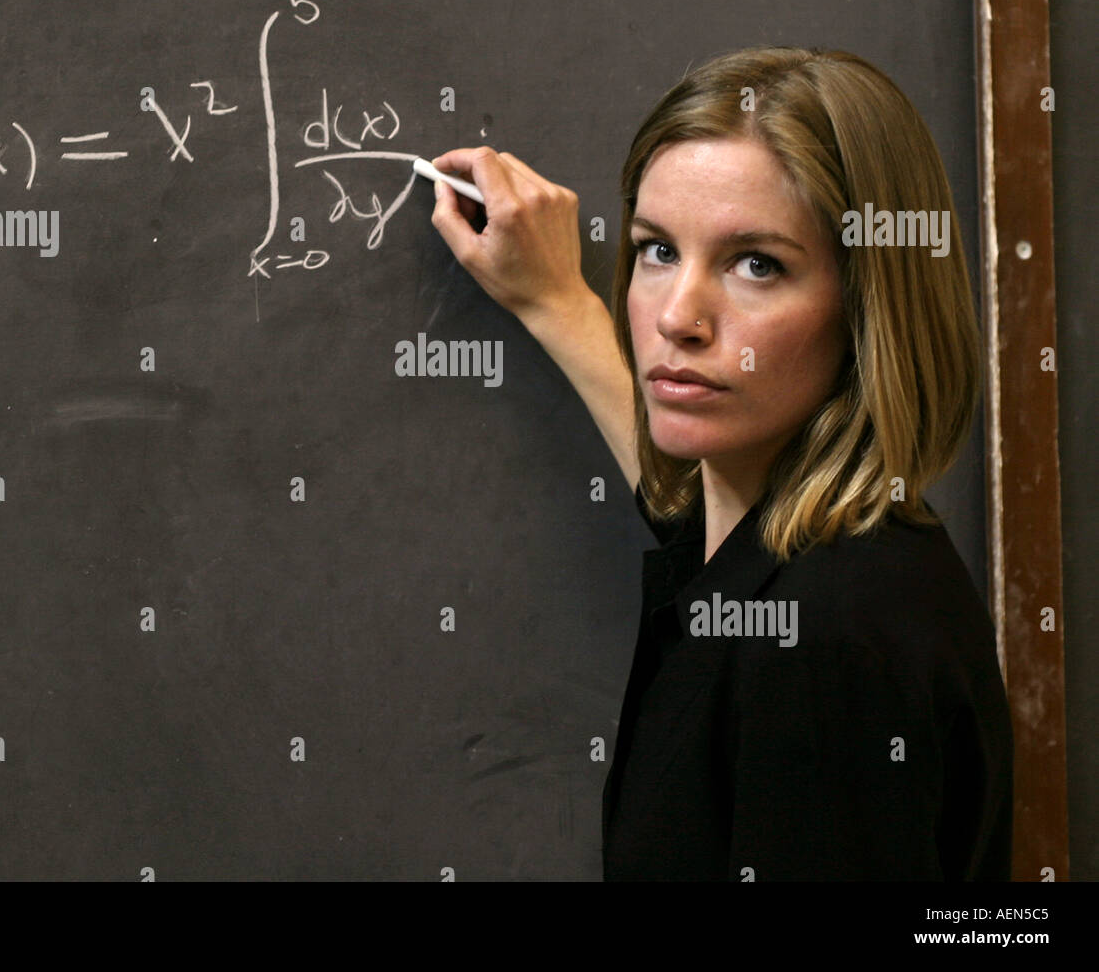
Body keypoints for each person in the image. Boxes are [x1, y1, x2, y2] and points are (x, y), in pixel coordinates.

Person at [428, 47, 1013, 881]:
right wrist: (557, 301)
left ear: (868, 304)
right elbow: (691, 522)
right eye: (657, 250)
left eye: (757, 264)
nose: (677, 317)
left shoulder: (826, 643)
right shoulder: (796, 552)